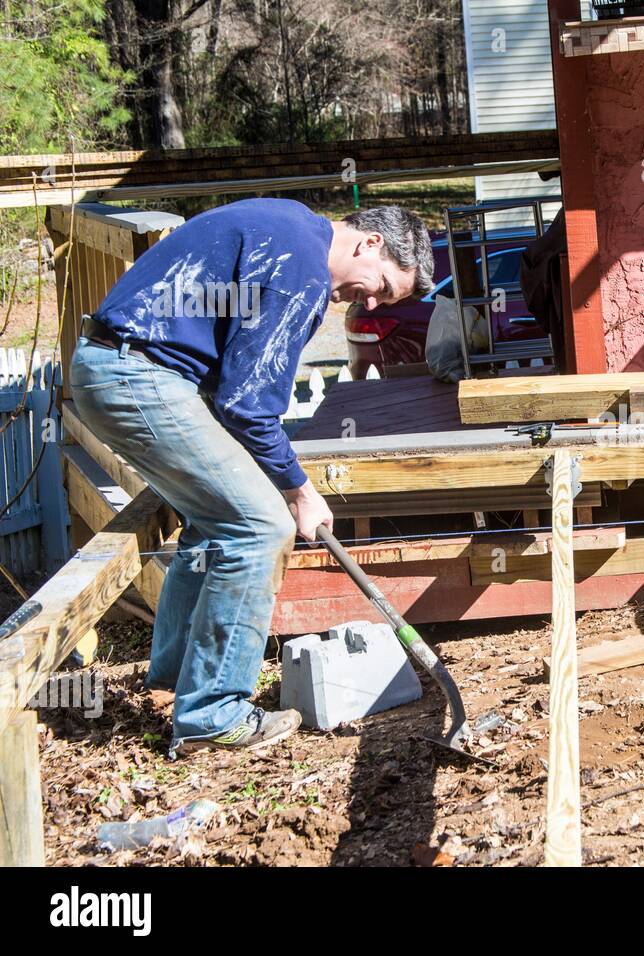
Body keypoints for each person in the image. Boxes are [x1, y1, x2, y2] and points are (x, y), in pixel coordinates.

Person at [69, 199, 433, 756]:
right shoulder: (301, 271)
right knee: (259, 526)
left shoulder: (290, 225)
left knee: (217, 520)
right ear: (370, 244)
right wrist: (300, 492)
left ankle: (174, 682)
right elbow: (249, 403)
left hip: (119, 365)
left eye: (383, 299)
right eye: (379, 286)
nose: (369, 301)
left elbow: (232, 387)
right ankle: (213, 714)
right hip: (138, 376)